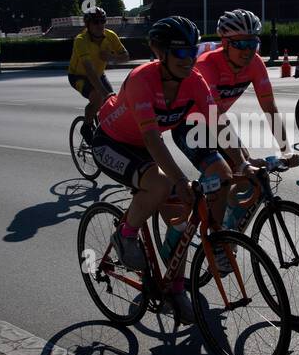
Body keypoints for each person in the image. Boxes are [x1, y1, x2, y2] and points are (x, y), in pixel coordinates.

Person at [90, 16, 216, 323]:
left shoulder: (195, 81)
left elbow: (219, 125)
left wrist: (240, 163)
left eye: (193, 51)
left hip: (145, 145)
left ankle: (175, 288)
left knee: (182, 221)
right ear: (161, 53)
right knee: (160, 185)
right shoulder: (142, 79)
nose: (189, 60)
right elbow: (151, 138)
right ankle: (126, 234)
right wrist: (181, 179)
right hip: (112, 142)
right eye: (181, 53)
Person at [171, 9, 295, 244]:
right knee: (224, 171)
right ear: (225, 43)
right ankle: (212, 240)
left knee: (249, 177)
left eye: (253, 43)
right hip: (188, 124)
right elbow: (215, 116)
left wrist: (286, 149)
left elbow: (269, 107)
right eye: (241, 44)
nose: (248, 50)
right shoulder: (208, 66)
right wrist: (241, 160)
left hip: (216, 125)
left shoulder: (255, 64)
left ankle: (223, 226)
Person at [68, 7, 129, 139]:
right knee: (98, 97)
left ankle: (107, 131)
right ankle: (86, 126)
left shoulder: (110, 35)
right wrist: (104, 93)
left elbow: (126, 57)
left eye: (102, 21)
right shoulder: (81, 40)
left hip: (99, 74)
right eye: (95, 22)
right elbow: (89, 71)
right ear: (88, 25)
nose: (100, 25)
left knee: (113, 104)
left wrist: (111, 58)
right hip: (79, 76)